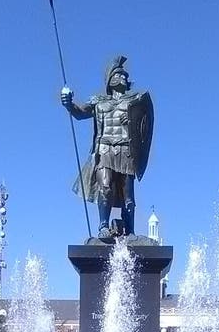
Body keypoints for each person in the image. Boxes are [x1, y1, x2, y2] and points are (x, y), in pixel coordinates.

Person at [61, 55, 153, 240]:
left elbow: (145, 125)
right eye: (119, 74)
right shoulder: (98, 101)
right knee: (106, 188)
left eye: (125, 75)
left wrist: (133, 123)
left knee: (129, 196)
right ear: (110, 80)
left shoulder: (135, 101)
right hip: (104, 149)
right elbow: (79, 114)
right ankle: (103, 226)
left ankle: (130, 229)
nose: (123, 77)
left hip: (126, 150)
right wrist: (69, 104)